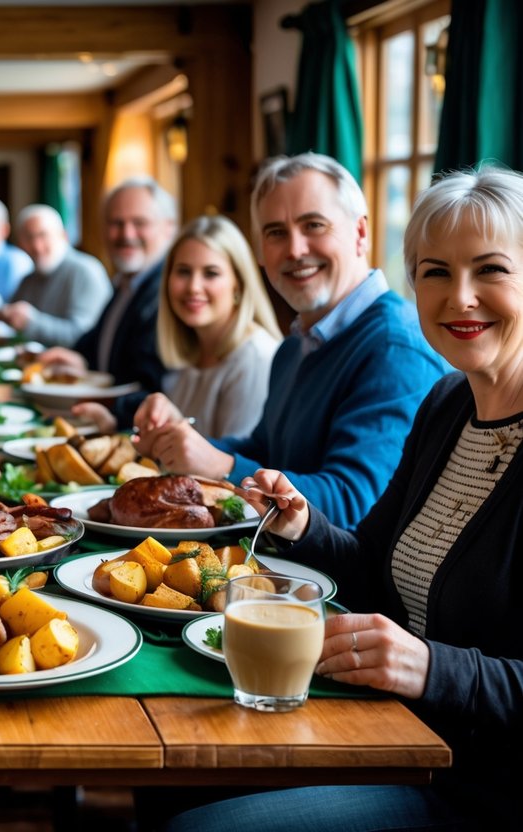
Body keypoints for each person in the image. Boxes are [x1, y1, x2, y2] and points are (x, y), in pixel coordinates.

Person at [167, 166, 523, 832]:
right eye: (434, 271)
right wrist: (304, 527)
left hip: (480, 790)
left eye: (491, 270)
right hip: (393, 733)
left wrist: (434, 669)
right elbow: (371, 563)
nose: (459, 298)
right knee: (174, 780)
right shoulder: (447, 405)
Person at [132, 153, 446, 530]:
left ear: (361, 233)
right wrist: (180, 438)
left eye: (313, 225)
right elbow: (265, 452)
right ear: (261, 252)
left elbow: (357, 505)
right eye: (276, 232)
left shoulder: (395, 348)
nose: (295, 249)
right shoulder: (294, 346)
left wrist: (221, 466)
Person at [79, 215, 282, 438]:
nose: (194, 287)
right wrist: (114, 427)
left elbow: (235, 466)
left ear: (239, 284)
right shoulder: (189, 354)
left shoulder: (254, 358)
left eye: (211, 273)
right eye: (184, 271)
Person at [41, 177, 179, 425]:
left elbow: (154, 386)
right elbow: (101, 347)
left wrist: (112, 411)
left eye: (139, 223)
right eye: (116, 223)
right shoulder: (125, 283)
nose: (126, 234)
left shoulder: (168, 292)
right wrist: (79, 359)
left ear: (168, 228)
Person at [0, 203, 111, 347]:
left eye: (43, 235)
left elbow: (83, 336)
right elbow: (9, 323)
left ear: (63, 236)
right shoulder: (29, 279)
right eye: (29, 238)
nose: (37, 246)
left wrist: (32, 322)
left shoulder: (86, 271)